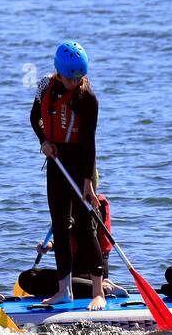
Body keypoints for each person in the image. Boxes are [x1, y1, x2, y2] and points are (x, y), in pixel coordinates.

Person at [30, 40, 104, 308]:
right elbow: (34, 117)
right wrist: (43, 141)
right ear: (58, 72)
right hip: (56, 161)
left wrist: (88, 183)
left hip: (81, 164)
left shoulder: (88, 99)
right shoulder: (43, 86)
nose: (74, 83)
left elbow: (89, 143)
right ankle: (64, 290)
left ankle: (98, 292)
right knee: (60, 226)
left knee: (85, 227)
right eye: (70, 78)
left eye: (79, 77)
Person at [16, 174, 122, 301]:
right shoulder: (70, 206)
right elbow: (72, 239)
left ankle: (103, 288)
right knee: (28, 277)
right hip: (75, 272)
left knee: (30, 278)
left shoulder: (93, 206)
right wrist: (52, 245)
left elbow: (91, 241)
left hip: (93, 271)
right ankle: (85, 287)